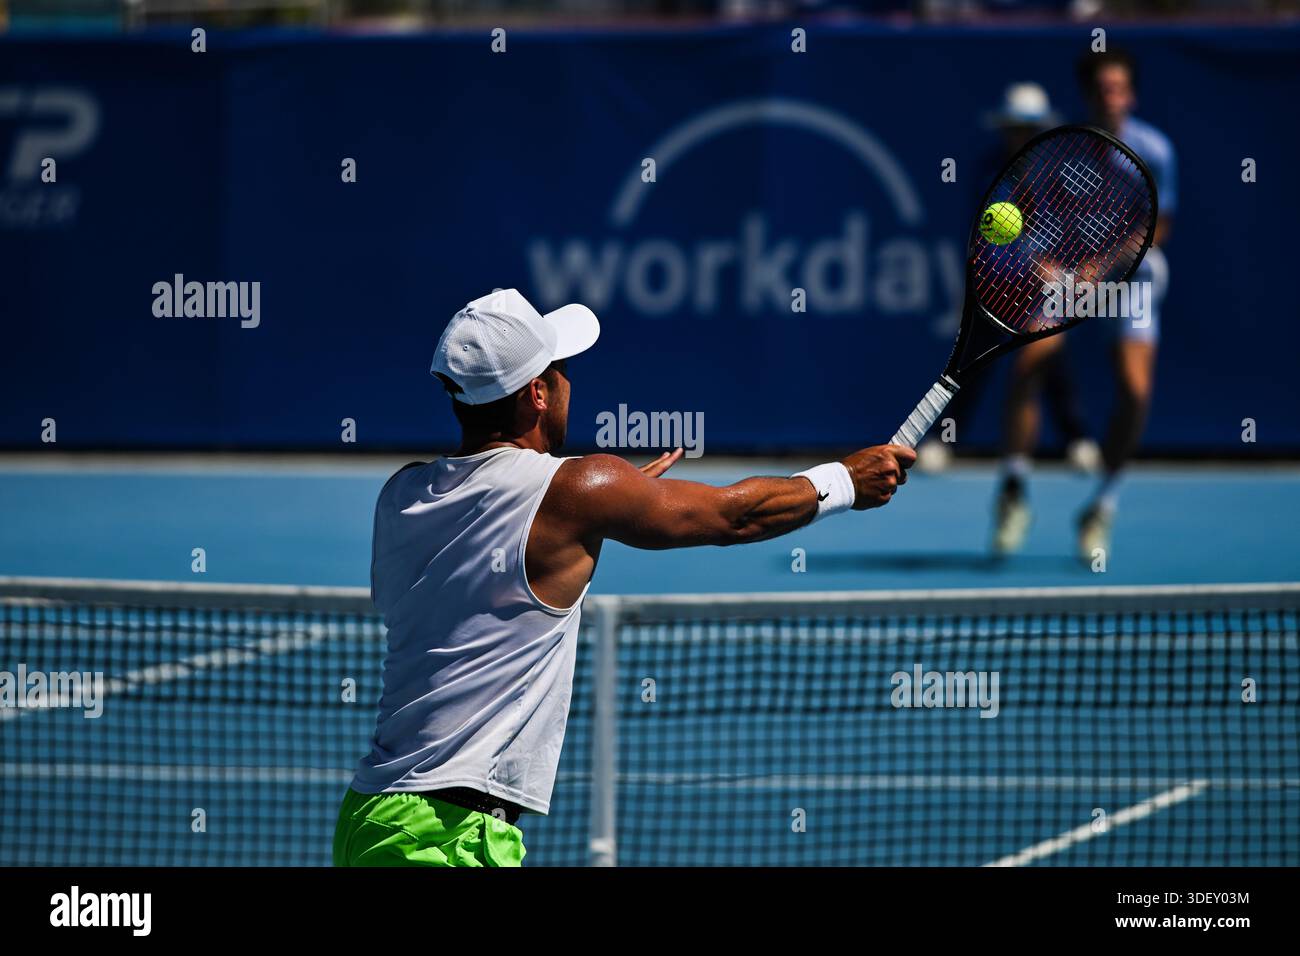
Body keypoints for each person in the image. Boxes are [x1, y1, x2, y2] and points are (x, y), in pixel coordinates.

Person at [332, 288, 915, 866]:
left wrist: (607, 502)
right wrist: (844, 479)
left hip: (369, 820)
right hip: (446, 839)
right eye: (559, 370)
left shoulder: (401, 495)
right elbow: (734, 517)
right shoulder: (573, 493)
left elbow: (489, 557)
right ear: (538, 393)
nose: (568, 383)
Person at [992, 51, 1175, 560]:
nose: (1111, 98)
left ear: (1132, 95)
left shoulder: (1155, 151)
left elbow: (1160, 226)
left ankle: (1102, 507)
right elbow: (1028, 215)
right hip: (1070, 276)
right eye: (1102, 90)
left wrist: (1109, 263)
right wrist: (1045, 262)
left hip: (1130, 278)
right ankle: (1012, 490)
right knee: (1028, 365)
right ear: (1089, 95)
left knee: (1135, 391)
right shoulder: (1062, 150)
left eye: (1120, 89)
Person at [917, 82, 1100, 476]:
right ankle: (944, 442)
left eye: (1027, 129)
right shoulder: (989, 170)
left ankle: (1077, 440)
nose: (1019, 136)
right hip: (998, 285)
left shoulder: (1056, 177)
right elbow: (986, 236)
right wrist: (1030, 261)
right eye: (1014, 128)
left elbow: (1067, 230)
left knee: (1051, 364)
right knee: (973, 365)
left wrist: (1061, 268)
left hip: (1046, 290)